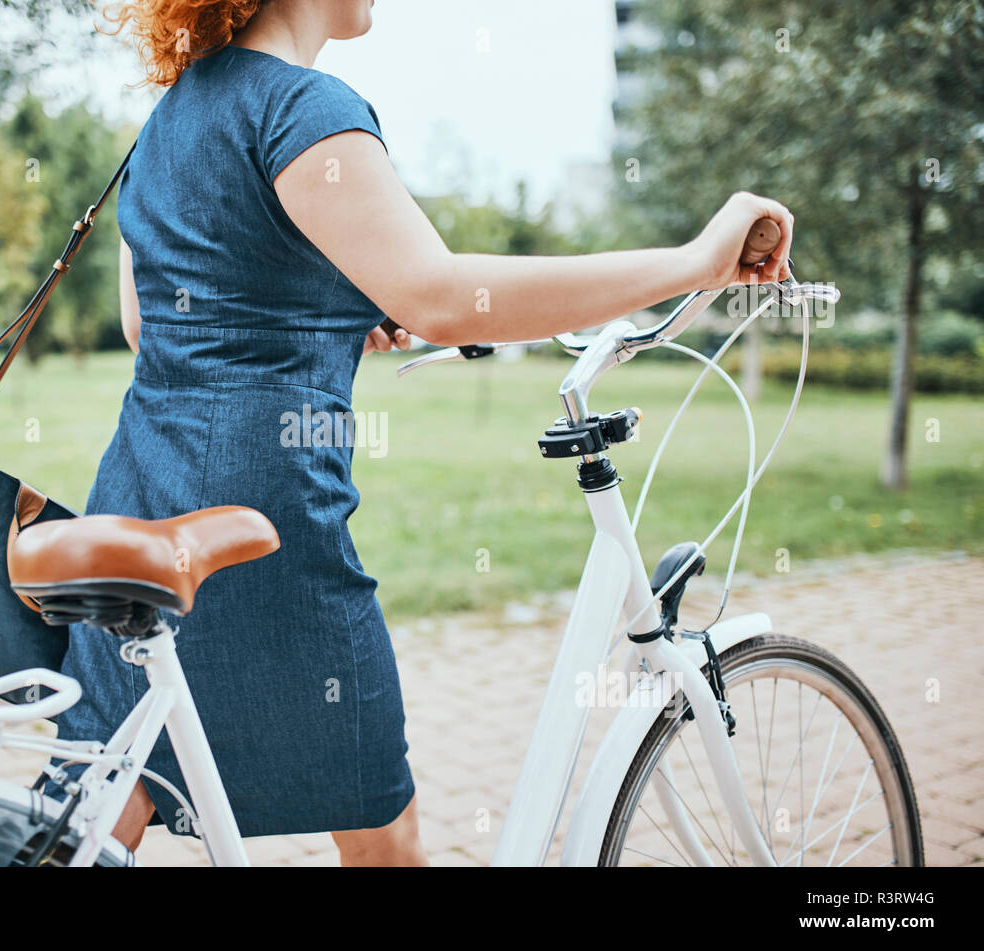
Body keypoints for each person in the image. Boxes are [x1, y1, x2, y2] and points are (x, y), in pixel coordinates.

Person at [54, 0, 794, 866]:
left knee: (116, 798)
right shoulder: (305, 106)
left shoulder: (171, 115)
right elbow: (442, 297)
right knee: (382, 833)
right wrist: (694, 263)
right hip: (263, 514)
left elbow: (153, 324)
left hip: (142, 487)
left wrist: (326, 310)